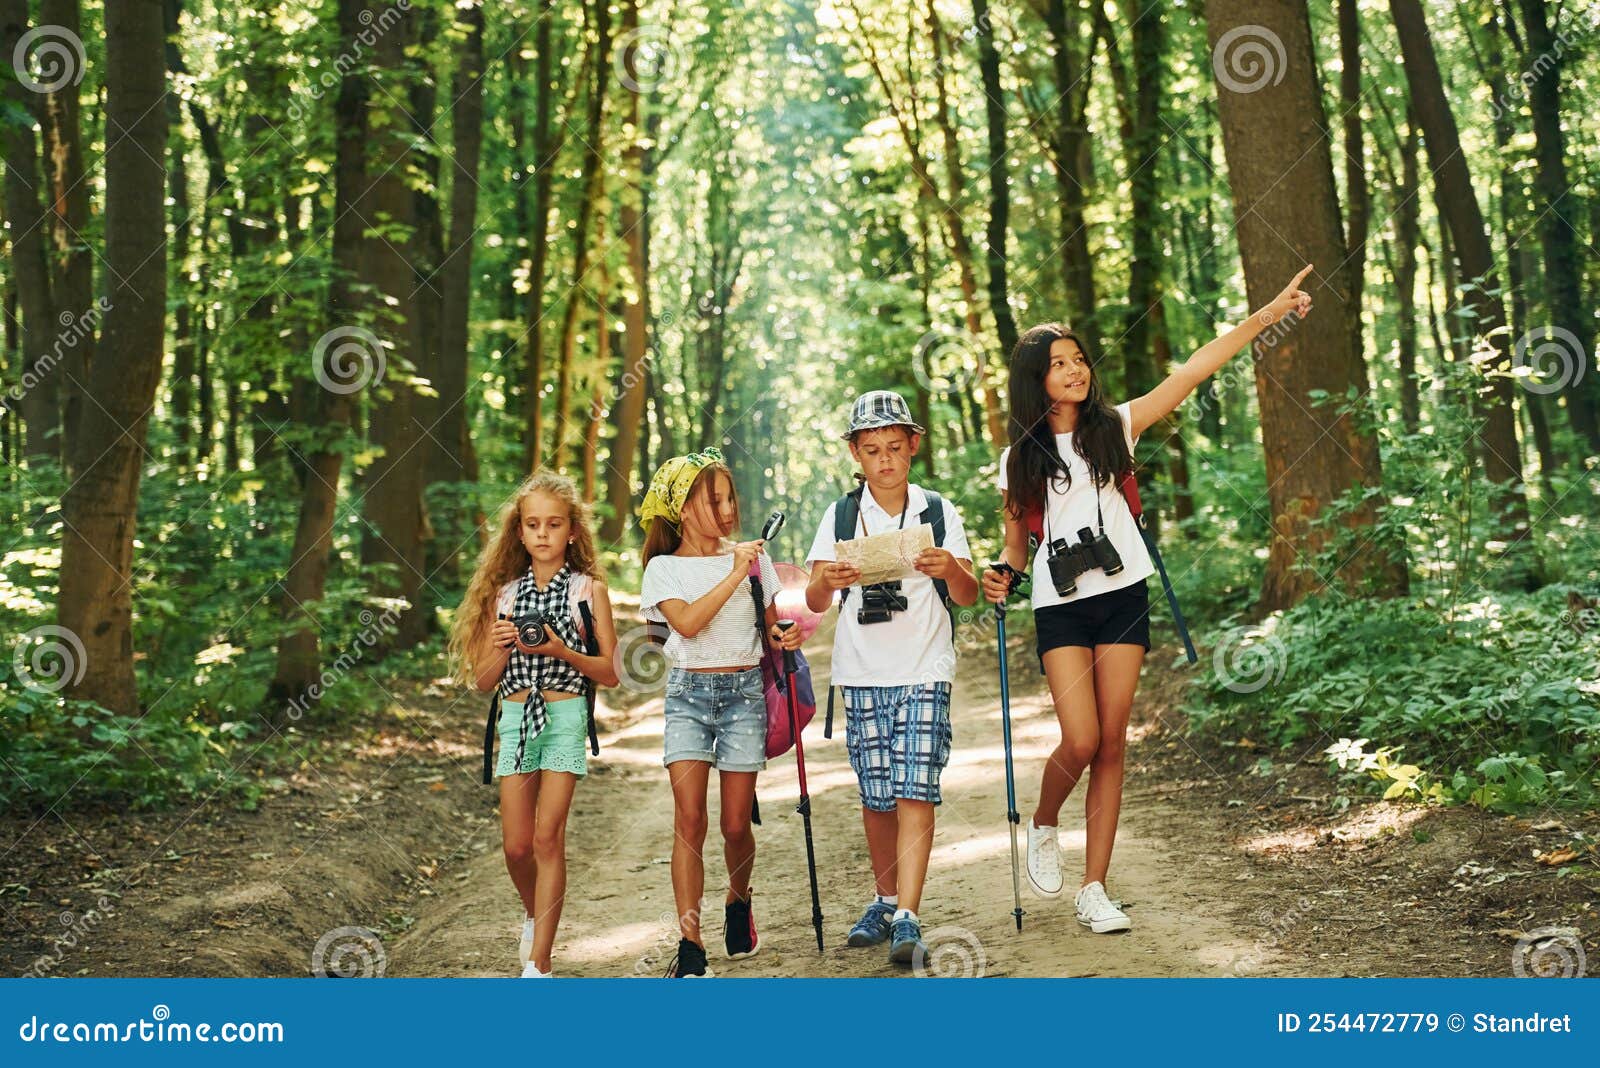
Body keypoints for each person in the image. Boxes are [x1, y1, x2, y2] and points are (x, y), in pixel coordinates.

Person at [982, 266, 1315, 933]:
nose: (1075, 371)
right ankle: (1044, 822)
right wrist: (999, 574)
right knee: (1080, 738)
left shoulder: (1118, 425)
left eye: (1079, 360)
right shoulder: (1020, 458)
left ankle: (1094, 887)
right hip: (1060, 605)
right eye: (1058, 365)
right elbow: (1016, 548)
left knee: (1112, 743)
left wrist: (1266, 315)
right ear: (1034, 380)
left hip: (1124, 596)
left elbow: (1193, 371)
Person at [804, 390, 978, 966]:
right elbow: (812, 599)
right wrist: (829, 578)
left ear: (913, 449)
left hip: (925, 666)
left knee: (914, 786)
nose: (884, 460)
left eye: (895, 448)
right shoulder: (840, 515)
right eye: (872, 449)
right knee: (876, 794)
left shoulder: (937, 509)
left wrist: (948, 566)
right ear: (855, 453)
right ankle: (882, 900)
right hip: (861, 671)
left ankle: (908, 913)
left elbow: (969, 593)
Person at [638, 447, 804, 977]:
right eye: (714, 500)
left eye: (730, 496)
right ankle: (690, 944)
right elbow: (686, 625)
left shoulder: (754, 564)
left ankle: (738, 898)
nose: (728, 508)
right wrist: (736, 570)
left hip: (744, 697)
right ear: (683, 509)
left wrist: (784, 635)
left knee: (735, 824)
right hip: (688, 696)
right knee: (689, 820)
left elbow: (773, 630)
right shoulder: (663, 570)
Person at [449, 471, 619, 977]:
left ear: (572, 531)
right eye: (532, 524)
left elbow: (610, 672)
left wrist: (559, 648)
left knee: (549, 839)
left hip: (564, 716)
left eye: (554, 524)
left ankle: (539, 965)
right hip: (517, 717)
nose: (543, 533)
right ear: (519, 533)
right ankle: (534, 912)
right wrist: (500, 646)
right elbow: (481, 682)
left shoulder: (589, 590)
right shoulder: (502, 596)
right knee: (517, 846)